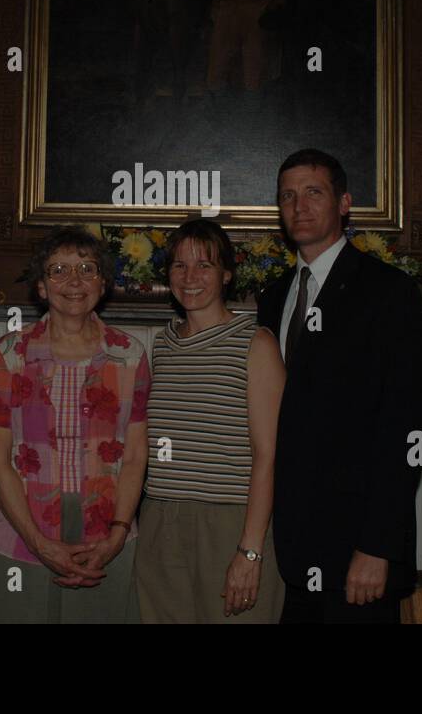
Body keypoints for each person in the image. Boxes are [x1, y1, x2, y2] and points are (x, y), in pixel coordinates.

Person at [255, 148, 422, 623]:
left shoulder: (389, 292)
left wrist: (378, 546)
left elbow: (406, 427)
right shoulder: (273, 299)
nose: (300, 206)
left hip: (357, 555)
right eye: (288, 196)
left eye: (314, 192)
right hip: (287, 553)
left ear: (344, 202)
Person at [0, 226, 149, 623]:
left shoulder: (130, 355)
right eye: (58, 270)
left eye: (87, 268)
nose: (73, 281)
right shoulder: (8, 354)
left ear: (103, 282)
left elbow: (134, 457)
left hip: (105, 529)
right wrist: (38, 543)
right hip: (15, 527)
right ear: (41, 287)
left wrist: (116, 533)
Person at [135, 219, 286, 622]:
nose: (190, 277)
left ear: (226, 274)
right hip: (161, 521)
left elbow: (267, 455)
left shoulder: (257, 342)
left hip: (231, 522)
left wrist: (249, 552)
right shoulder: (163, 344)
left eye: (204, 265)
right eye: (179, 266)